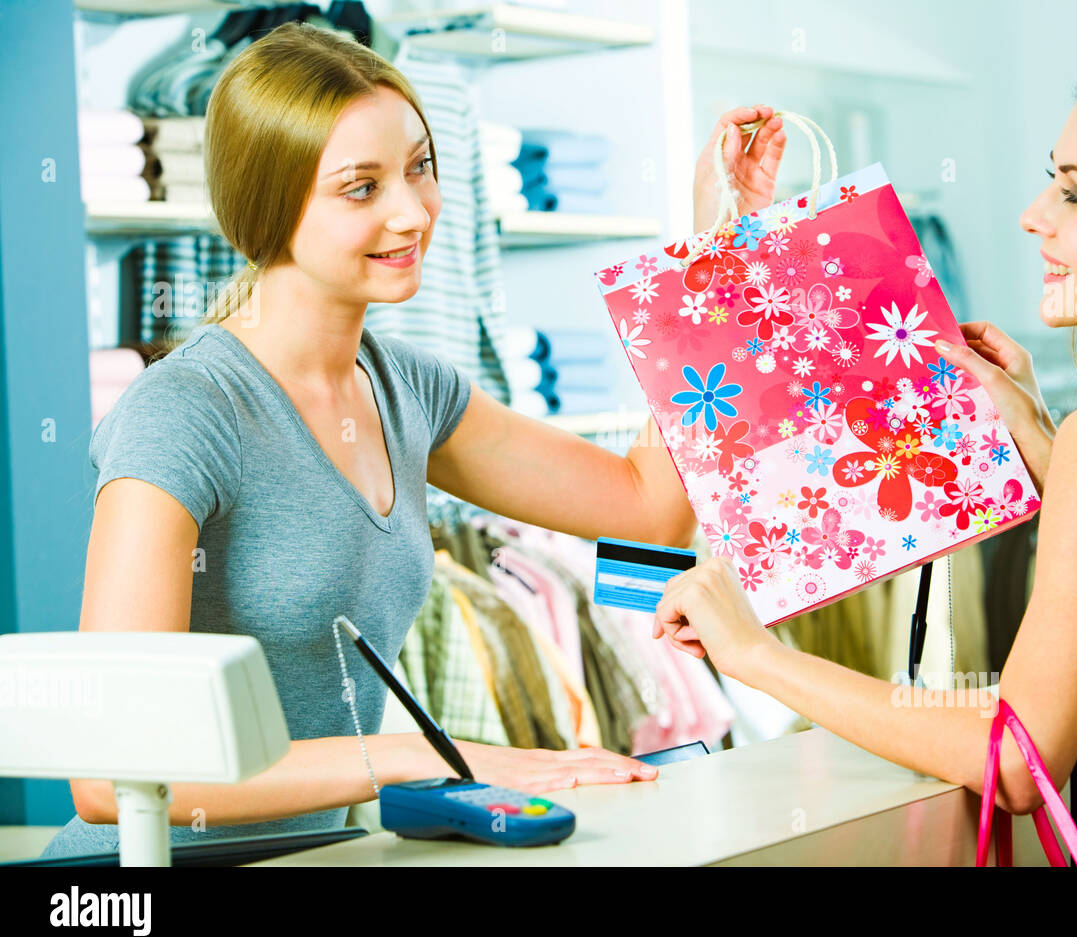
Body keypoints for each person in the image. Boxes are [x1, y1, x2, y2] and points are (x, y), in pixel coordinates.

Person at [41, 22, 789, 858]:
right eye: (361, 188)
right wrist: (426, 758)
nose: (413, 212)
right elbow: (110, 776)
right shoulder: (184, 413)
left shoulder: (409, 389)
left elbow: (651, 511)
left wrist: (719, 257)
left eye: (420, 167)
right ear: (268, 204)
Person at [651, 53, 1077, 866]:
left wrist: (754, 655)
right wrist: (1043, 442)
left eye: (1072, 191)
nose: (1034, 217)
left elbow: (1017, 760)